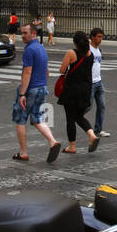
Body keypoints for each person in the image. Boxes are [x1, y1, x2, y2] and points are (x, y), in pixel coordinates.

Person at [12, 22, 60, 163]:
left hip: (30, 90)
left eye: (25, 33)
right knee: (37, 118)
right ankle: (52, 141)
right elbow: (46, 71)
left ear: (33, 33)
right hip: (42, 88)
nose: (22, 36)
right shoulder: (41, 48)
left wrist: (22, 94)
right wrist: (42, 84)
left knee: (20, 119)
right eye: (21, 33)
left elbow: (27, 72)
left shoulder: (29, 50)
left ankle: (23, 153)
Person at [56, 30, 99, 154]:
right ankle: (92, 135)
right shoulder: (90, 54)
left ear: (74, 42)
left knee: (70, 118)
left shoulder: (71, 53)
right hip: (86, 89)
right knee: (79, 116)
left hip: (72, 90)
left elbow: (62, 70)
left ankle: (72, 146)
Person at [89, 27, 110, 138]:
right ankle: (76, 119)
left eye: (101, 37)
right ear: (92, 37)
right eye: (98, 37)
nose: (100, 39)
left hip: (99, 82)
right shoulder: (87, 49)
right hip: (90, 83)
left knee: (102, 106)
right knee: (88, 106)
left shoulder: (98, 50)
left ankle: (98, 129)